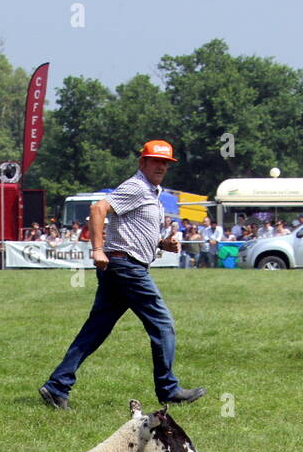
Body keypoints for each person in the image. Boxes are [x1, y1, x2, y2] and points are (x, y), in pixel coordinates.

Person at [39, 140, 206, 410]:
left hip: (122, 266)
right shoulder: (136, 186)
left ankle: (57, 386)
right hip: (126, 267)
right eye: (155, 161)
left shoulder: (152, 192)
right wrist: (97, 249)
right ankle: (169, 389)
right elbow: (97, 209)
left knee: (94, 331)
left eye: (166, 162)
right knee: (163, 324)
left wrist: (162, 243)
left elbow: (135, 230)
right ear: (143, 163)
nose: (161, 166)